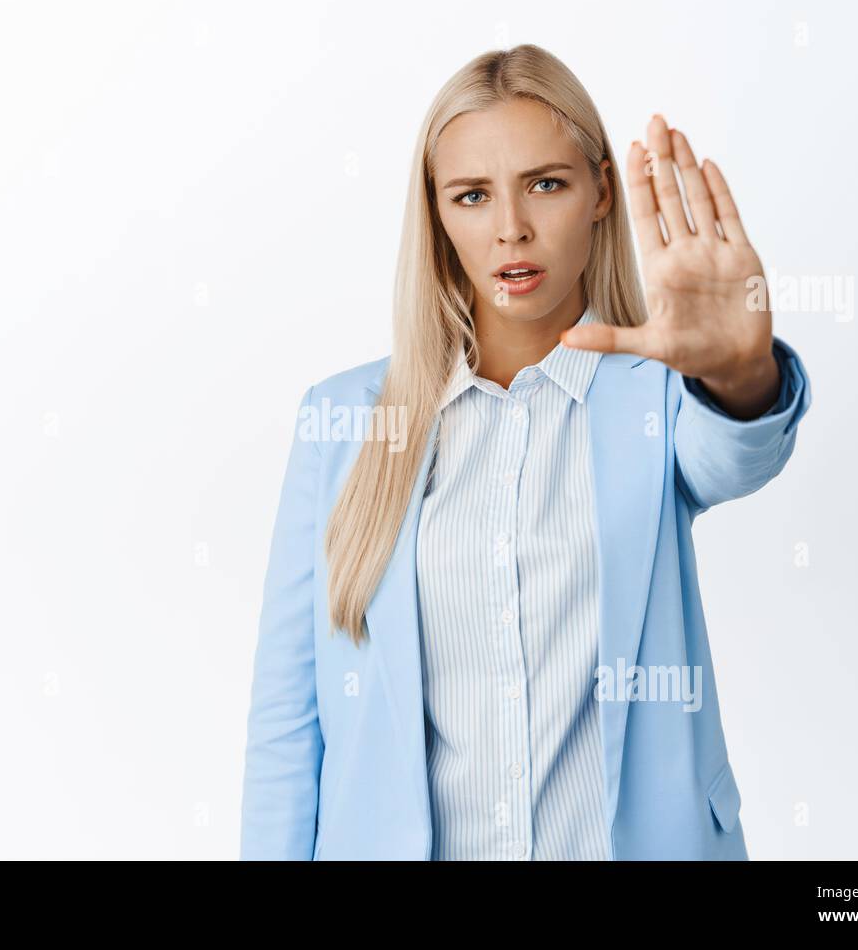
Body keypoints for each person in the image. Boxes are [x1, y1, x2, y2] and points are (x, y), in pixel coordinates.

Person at [240, 43, 811, 860]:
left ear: (601, 193)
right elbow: (286, 728)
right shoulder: (345, 420)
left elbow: (739, 453)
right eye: (472, 195)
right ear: (437, 215)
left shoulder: (658, 396)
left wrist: (741, 371)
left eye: (547, 183)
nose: (511, 227)